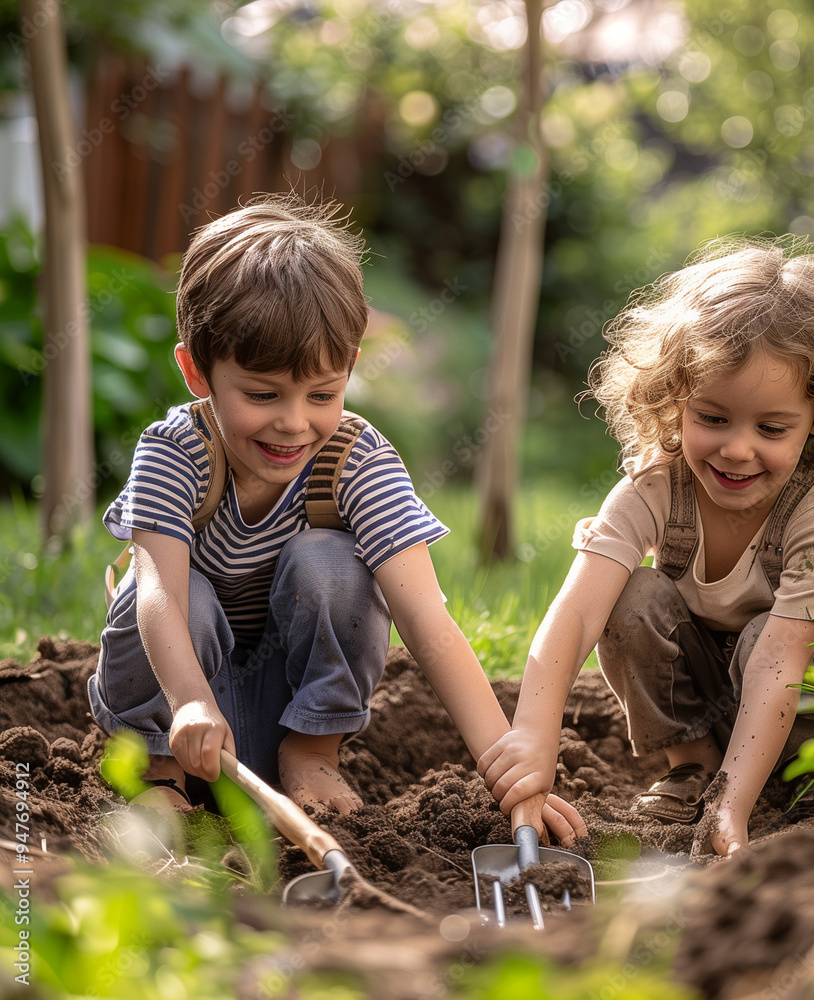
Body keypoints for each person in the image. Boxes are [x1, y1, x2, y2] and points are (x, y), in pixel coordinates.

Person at [89, 193, 584, 845]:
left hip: (282, 706)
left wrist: (510, 772)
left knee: (332, 563)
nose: (294, 422)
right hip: (179, 704)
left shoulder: (357, 460)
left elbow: (426, 621)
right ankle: (157, 777)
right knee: (191, 597)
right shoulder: (176, 450)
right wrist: (187, 703)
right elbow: (158, 591)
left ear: (351, 367)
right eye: (262, 394)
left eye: (321, 394)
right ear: (196, 371)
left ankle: (312, 755)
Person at [477, 237, 814, 857]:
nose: (737, 450)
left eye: (771, 428)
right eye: (713, 418)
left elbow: (780, 658)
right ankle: (691, 766)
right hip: (727, 696)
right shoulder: (657, 487)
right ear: (675, 396)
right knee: (630, 598)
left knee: (780, 640)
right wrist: (532, 738)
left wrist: (733, 806)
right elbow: (578, 611)